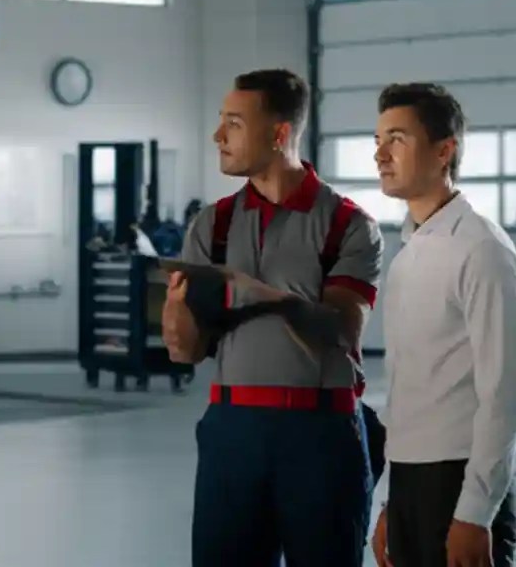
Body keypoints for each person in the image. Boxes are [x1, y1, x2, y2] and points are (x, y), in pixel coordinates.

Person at [161, 68, 384, 567]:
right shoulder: (211, 225)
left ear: (279, 134)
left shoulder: (349, 225)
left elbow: (342, 329)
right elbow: (187, 352)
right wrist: (176, 318)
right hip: (232, 431)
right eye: (221, 121)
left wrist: (263, 295)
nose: (218, 135)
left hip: (321, 434)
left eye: (234, 123)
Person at [368, 83, 516, 567]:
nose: (380, 153)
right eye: (377, 139)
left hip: (458, 486)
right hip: (410, 482)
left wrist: (475, 513)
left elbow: (505, 393)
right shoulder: (409, 253)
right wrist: (391, 503)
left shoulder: (482, 250)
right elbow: (409, 394)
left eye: (397, 138)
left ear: (444, 151)